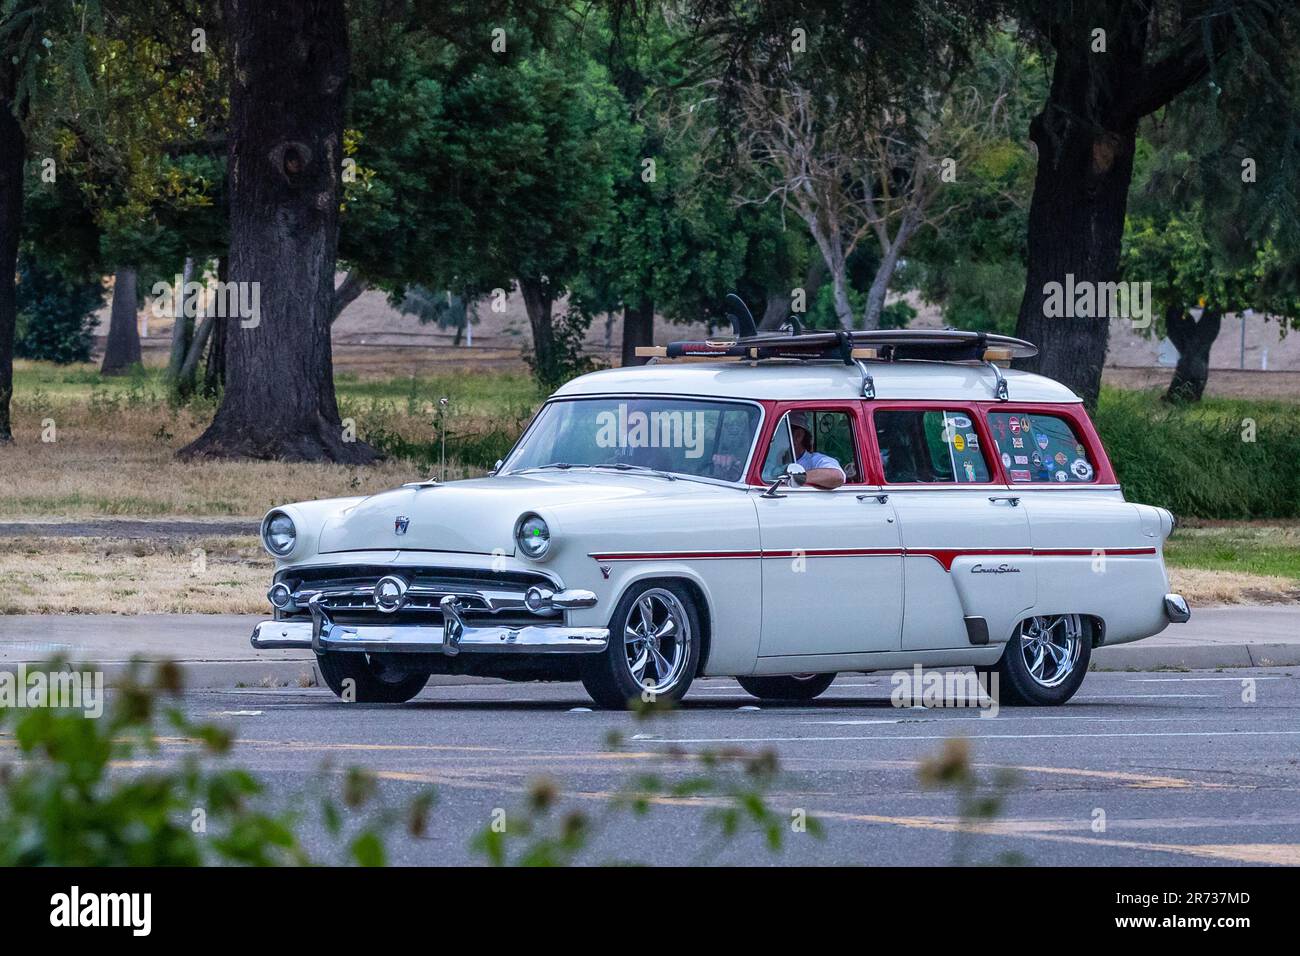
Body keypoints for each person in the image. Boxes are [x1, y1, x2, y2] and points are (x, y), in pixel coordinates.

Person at [789, 411, 844, 489]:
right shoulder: (774, 461)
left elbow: (837, 476)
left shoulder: (815, 460)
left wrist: (794, 478)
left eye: (781, 432)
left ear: (798, 436)